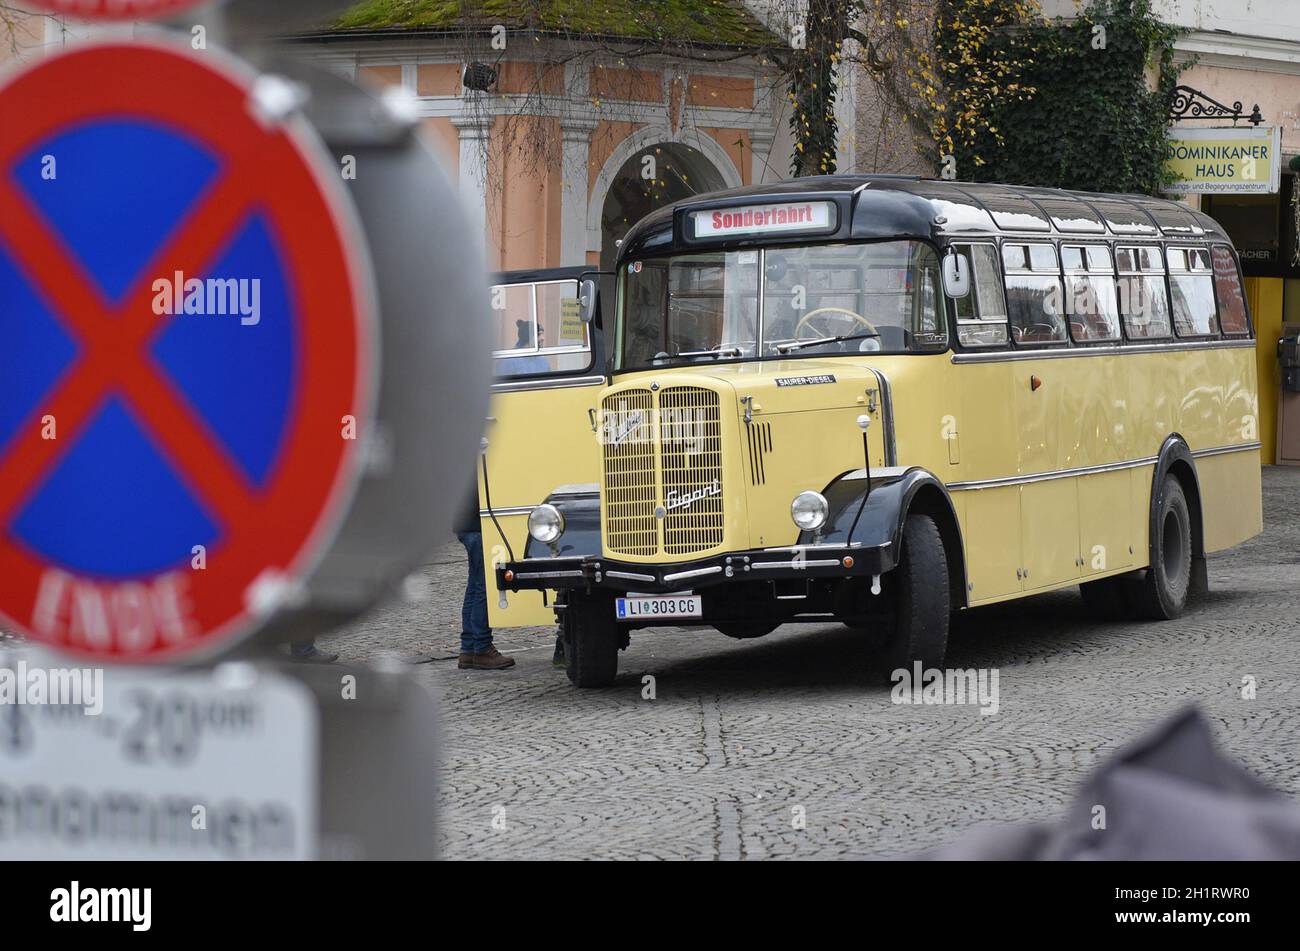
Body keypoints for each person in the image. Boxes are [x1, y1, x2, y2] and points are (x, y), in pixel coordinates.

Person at [455, 487, 514, 670]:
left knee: (474, 587)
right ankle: (482, 647)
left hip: (465, 523)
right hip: (478, 525)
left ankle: (469, 649)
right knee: (484, 586)